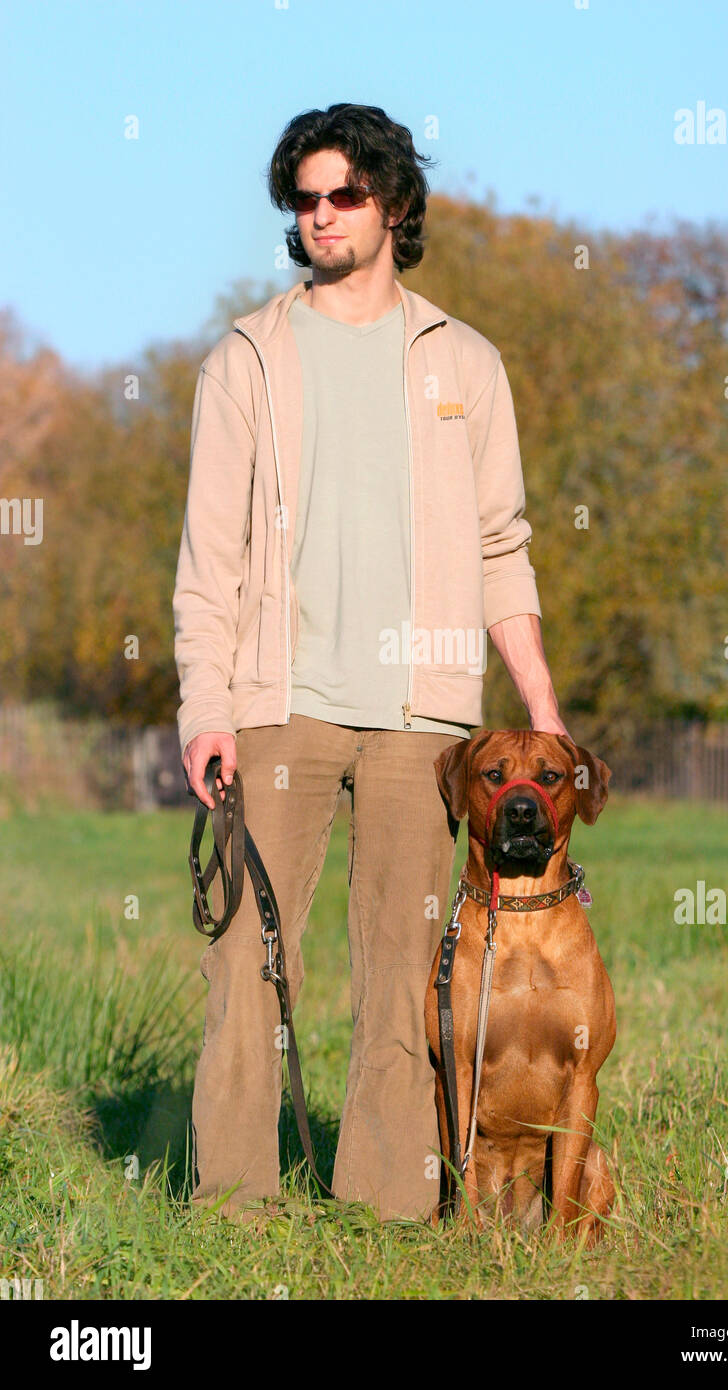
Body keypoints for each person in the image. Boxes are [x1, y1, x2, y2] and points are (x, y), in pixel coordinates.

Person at [172, 102, 569, 1224]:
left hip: (422, 714)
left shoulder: (466, 362)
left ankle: (388, 1205)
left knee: (403, 963)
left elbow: (502, 549)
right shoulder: (243, 359)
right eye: (304, 199)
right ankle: (233, 1202)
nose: (321, 215)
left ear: (393, 203)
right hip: (278, 701)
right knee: (248, 960)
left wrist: (537, 707)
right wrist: (206, 706)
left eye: (343, 194)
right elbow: (209, 556)